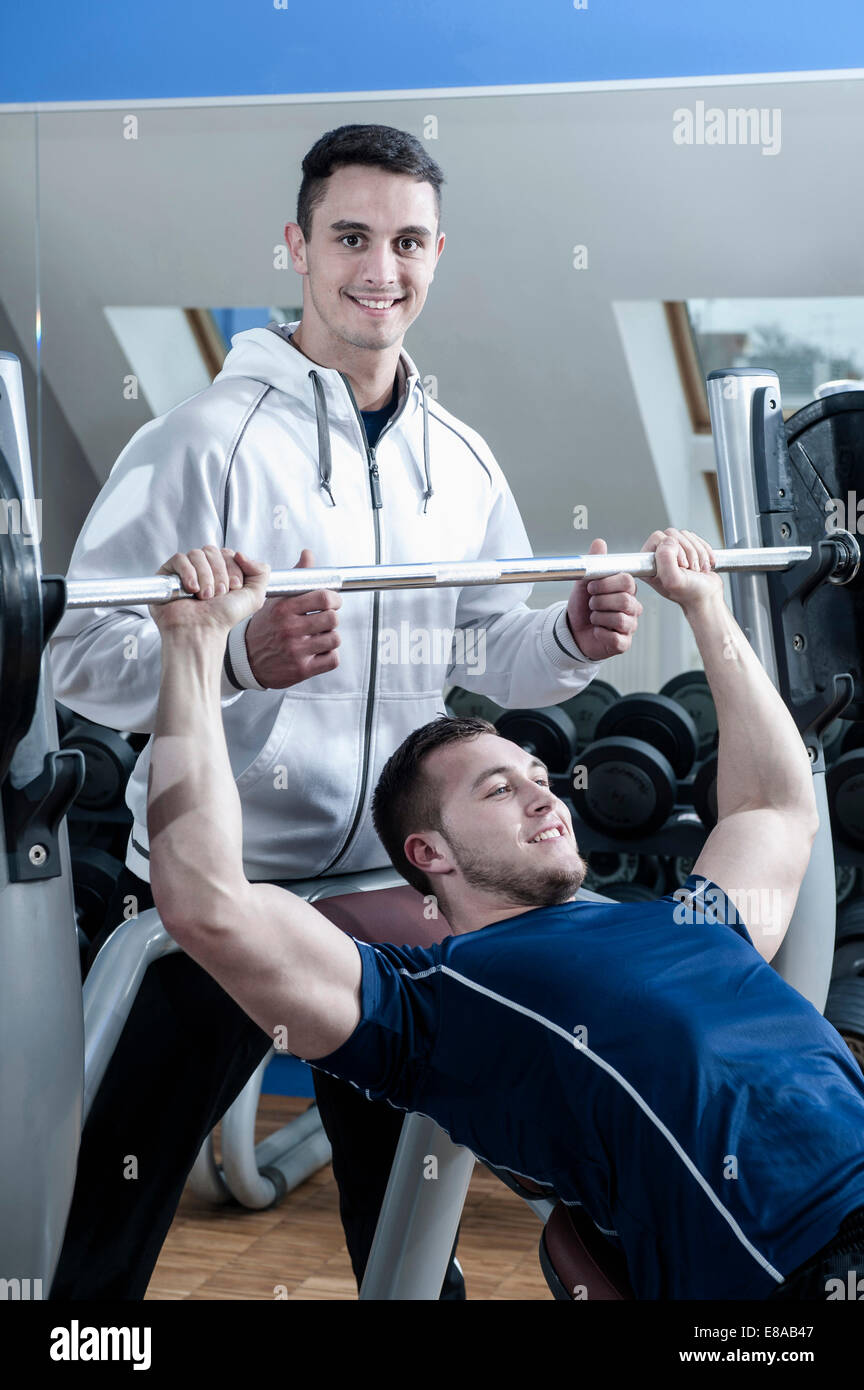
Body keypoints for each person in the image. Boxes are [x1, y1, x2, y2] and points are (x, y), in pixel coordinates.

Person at [49, 123, 643, 1299]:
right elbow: (77, 653)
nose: (382, 267)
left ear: (437, 255)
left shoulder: (461, 459)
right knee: (104, 1227)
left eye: (408, 241)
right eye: (353, 237)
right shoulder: (203, 441)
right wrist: (236, 661)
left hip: (386, 884)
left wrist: (570, 640)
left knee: (409, 1218)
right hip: (217, 893)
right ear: (299, 248)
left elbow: (488, 646)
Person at [144, 525, 864, 1301]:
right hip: (808, 1268)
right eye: (498, 789)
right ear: (430, 854)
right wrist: (193, 646)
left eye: (538, 774)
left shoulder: (691, 922)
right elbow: (207, 902)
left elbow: (773, 807)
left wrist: (705, 606)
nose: (544, 794)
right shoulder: (431, 1005)